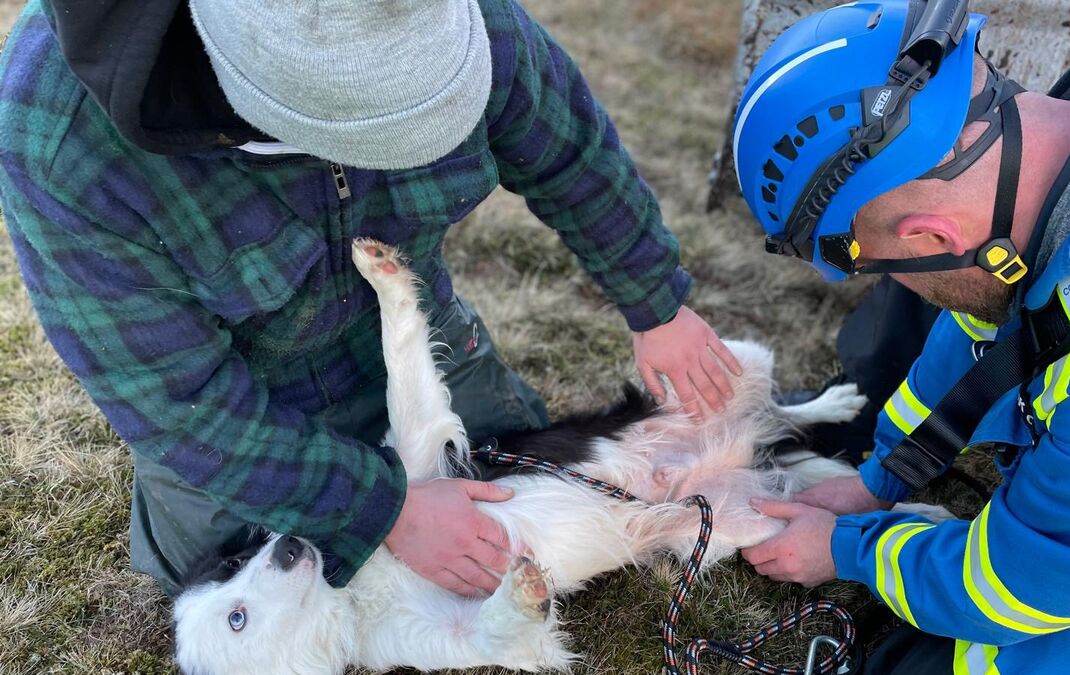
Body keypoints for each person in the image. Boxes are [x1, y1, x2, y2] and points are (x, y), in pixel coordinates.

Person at [0, 0, 741, 599]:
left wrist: (657, 303)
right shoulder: (62, 133)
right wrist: (381, 510)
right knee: (265, 600)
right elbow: (174, 400)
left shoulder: (471, 24)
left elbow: (569, 150)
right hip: (237, 412)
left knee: (532, 507)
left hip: (416, 339)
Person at [731, 0, 1070, 672]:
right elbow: (987, 332)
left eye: (890, 271)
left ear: (931, 236)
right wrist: (880, 480)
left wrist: (847, 549)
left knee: (958, 659)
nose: (908, 290)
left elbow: (1004, 588)